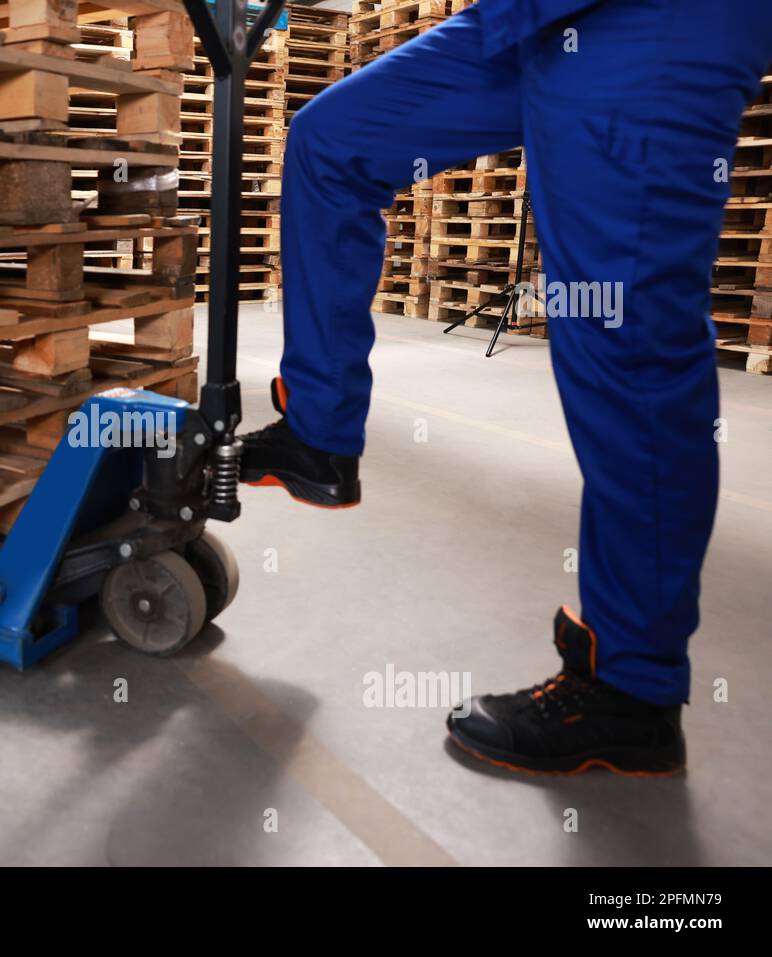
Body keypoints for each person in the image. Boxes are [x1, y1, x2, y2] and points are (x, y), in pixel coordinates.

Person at [238, 0, 772, 775]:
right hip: (529, 17)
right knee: (334, 140)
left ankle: (632, 688)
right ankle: (318, 432)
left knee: (628, 341)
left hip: (655, 22)